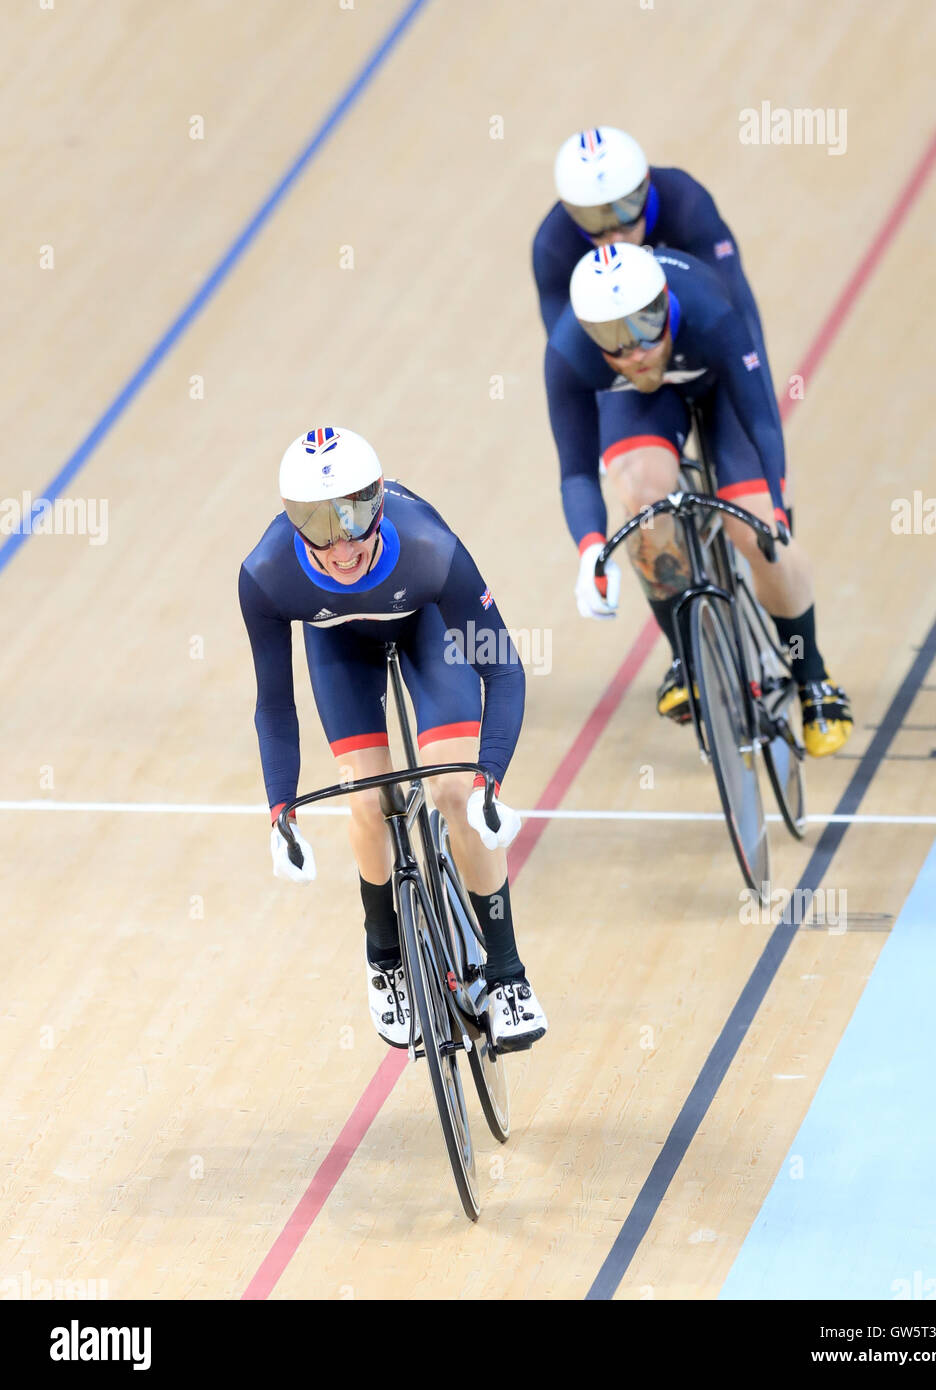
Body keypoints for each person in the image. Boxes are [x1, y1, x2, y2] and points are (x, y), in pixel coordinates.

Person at [239, 426, 547, 1052]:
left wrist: (490, 778)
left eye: (352, 514)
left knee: (455, 794)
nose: (340, 541)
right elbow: (274, 704)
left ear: (378, 501)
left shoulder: (431, 547)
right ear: (291, 521)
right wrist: (280, 811)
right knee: (365, 801)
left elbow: (503, 667)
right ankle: (386, 960)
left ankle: (508, 973)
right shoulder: (266, 575)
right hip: (338, 646)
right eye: (317, 523)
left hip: (425, 628)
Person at [544, 242, 852, 756]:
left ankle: (812, 677)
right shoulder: (567, 352)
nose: (636, 351)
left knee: (755, 531)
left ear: (666, 302)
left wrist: (775, 510)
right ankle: (688, 656)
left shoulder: (710, 312)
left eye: (645, 326)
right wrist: (590, 551)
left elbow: (760, 421)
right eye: (614, 341)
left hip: (722, 388)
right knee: (644, 506)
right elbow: (576, 471)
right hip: (639, 403)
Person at [533, 126, 777, 418]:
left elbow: (729, 303)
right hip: (628, 355)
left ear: (646, 185)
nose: (614, 235)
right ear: (570, 211)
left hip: (694, 326)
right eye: (593, 219)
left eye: (625, 210)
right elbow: (572, 351)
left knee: (745, 421)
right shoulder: (552, 247)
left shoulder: (686, 201)